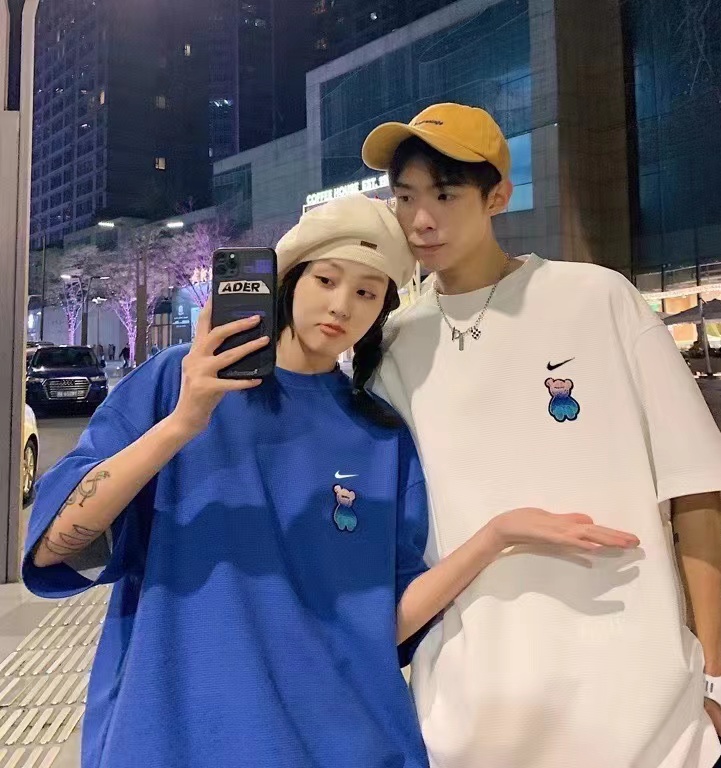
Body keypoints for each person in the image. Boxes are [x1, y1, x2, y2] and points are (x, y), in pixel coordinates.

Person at [23, 194, 638, 768]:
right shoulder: (176, 381)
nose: (343, 306)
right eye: (326, 280)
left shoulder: (378, 435)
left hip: (340, 737)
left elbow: (382, 622)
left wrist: (495, 537)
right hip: (179, 728)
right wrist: (183, 423)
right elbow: (55, 546)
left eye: (368, 292)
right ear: (288, 281)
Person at [362, 103, 721, 768]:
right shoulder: (394, 345)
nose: (421, 219)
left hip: (648, 721)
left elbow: (694, 487)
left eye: (445, 195)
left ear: (497, 196)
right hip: (473, 726)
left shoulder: (598, 298)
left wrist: (716, 672)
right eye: (405, 197)